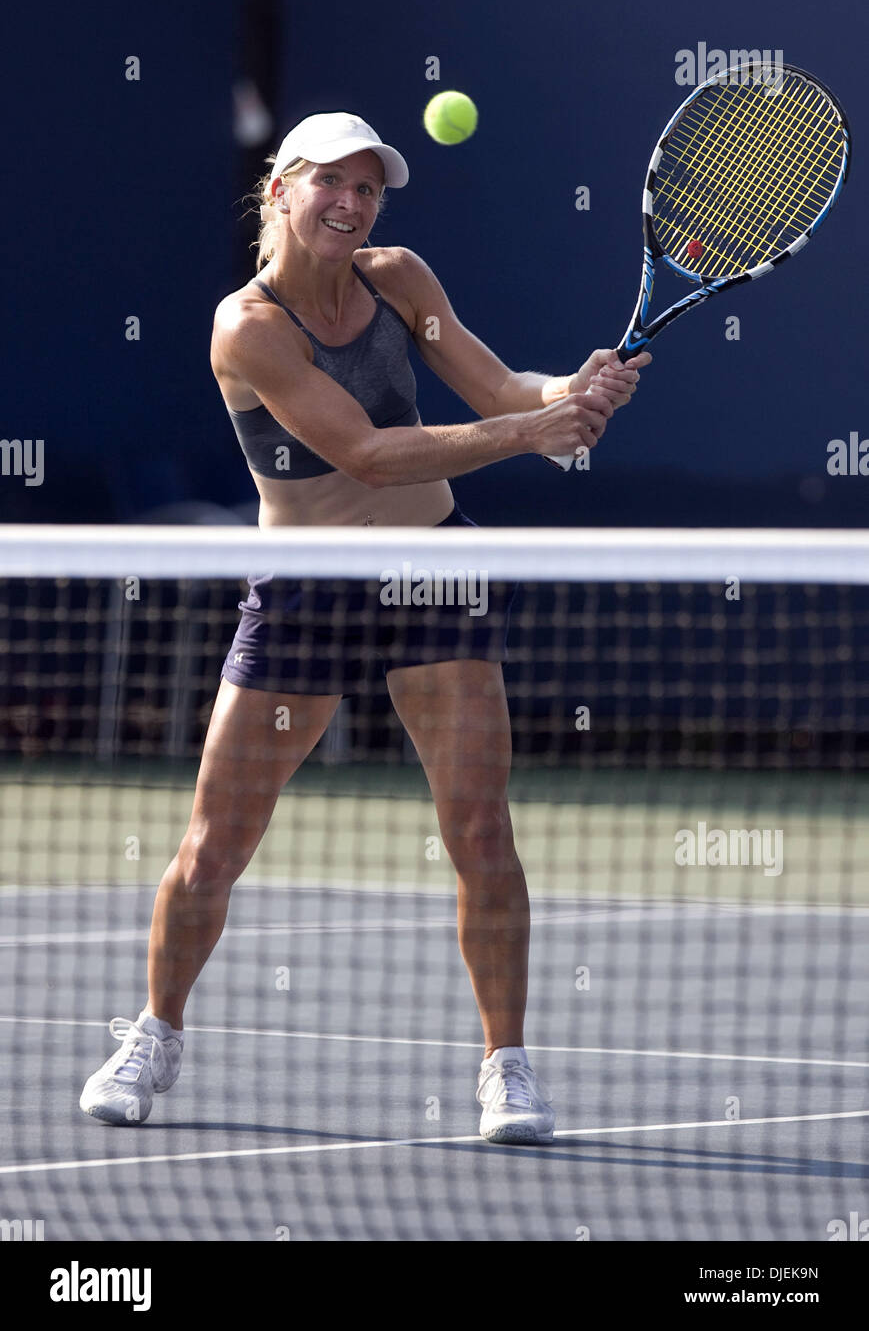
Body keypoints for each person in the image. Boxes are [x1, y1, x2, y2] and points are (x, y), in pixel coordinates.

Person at [80, 112, 651, 1142]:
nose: (351, 203)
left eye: (368, 187)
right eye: (328, 183)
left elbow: (490, 385)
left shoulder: (400, 280)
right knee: (214, 845)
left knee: (479, 828)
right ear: (280, 194)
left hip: (433, 577)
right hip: (307, 589)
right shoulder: (246, 326)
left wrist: (569, 389)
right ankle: (155, 1032)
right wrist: (533, 432)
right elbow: (371, 455)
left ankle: (504, 1067)